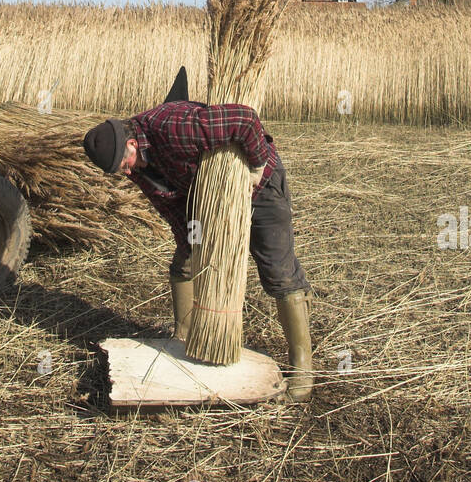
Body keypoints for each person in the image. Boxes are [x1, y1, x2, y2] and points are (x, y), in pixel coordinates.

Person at [83, 98, 313, 400]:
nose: (126, 173)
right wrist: (191, 240)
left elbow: (244, 120)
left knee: (277, 272)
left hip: (259, 185)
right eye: (119, 171)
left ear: (131, 144)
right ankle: (186, 338)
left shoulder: (172, 127)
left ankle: (303, 369)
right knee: (185, 265)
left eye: (123, 164)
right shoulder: (139, 164)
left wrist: (255, 167)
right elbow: (171, 206)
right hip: (210, 198)